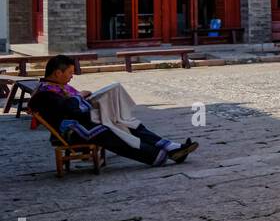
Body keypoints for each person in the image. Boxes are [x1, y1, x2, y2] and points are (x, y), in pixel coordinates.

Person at [29, 56, 198, 167]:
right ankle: (159, 155)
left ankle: (171, 147)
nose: (71, 77)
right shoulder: (45, 94)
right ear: (58, 73)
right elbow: (70, 110)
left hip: (85, 121)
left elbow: (74, 105)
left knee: (124, 120)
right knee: (116, 133)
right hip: (74, 131)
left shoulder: (58, 86)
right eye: (70, 73)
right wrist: (80, 96)